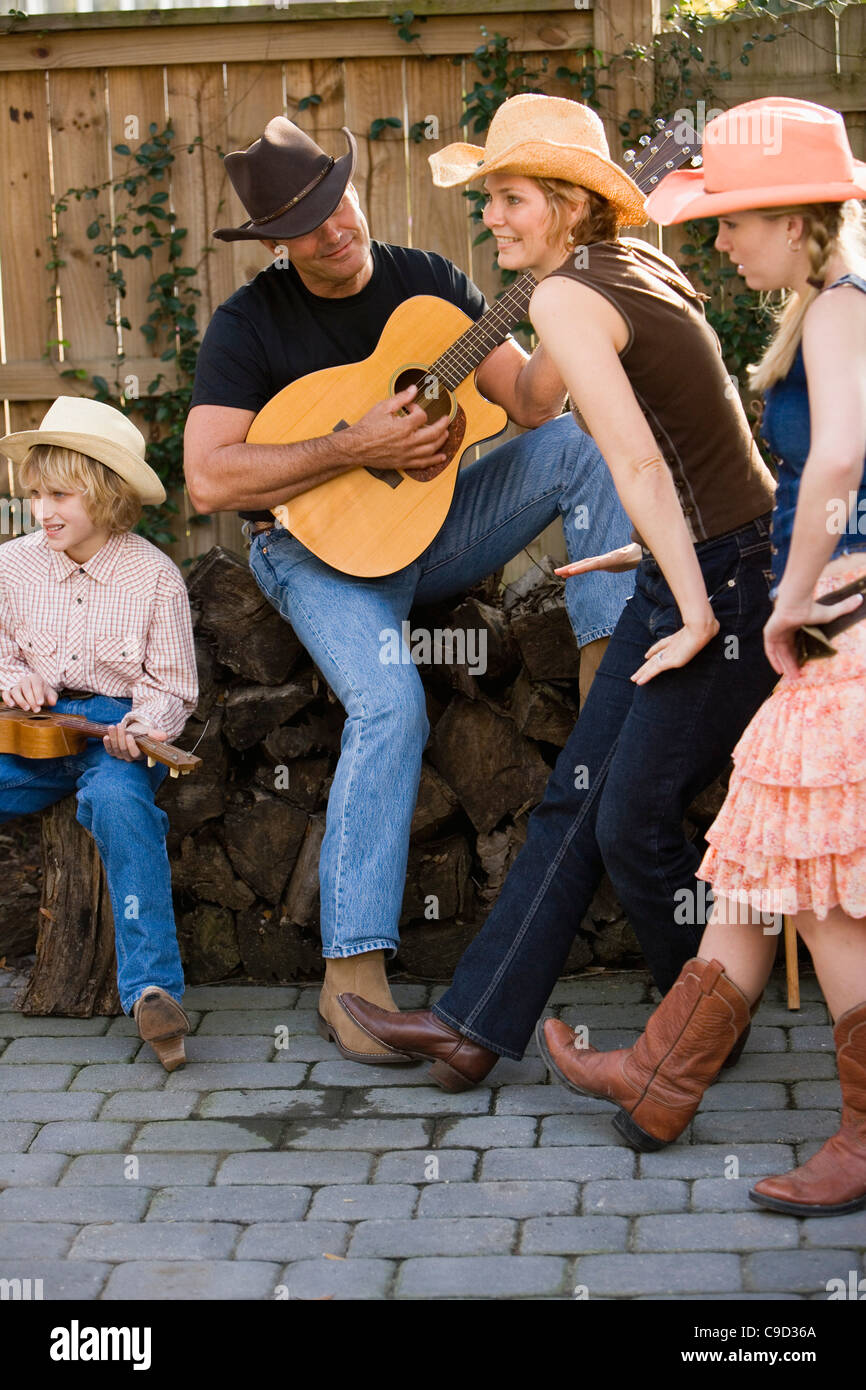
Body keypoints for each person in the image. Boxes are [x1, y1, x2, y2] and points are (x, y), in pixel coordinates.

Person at [338, 92, 781, 1091]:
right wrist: (442, 398)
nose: (489, 216)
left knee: (628, 820)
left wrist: (697, 602)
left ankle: (696, 1034)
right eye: (488, 198)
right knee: (572, 802)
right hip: (698, 563)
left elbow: (635, 464)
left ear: (573, 205)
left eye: (511, 198)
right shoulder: (609, 274)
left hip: (723, 581)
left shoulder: (570, 295)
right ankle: (470, 1027)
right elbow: (544, 406)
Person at [183, 115, 636, 1064]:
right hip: (312, 551)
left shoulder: (428, 279)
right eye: (305, 223)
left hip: (431, 533)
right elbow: (211, 479)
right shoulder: (251, 323)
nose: (334, 228)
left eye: (336, 201)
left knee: (579, 443)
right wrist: (357, 446)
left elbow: (532, 402)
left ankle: (609, 683)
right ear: (273, 241)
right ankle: (351, 979)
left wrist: (572, 284)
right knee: (389, 705)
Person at [537, 97, 866, 1217]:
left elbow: (834, 466)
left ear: (793, 216)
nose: (716, 241)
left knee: (818, 892)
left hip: (833, 640)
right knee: (758, 857)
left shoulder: (838, 305)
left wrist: (788, 596)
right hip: (832, 626)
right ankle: (663, 1078)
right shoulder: (828, 309)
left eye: (732, 219)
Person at [0, 397, 198, 1070]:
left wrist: (141, 726)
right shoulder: (12, 566)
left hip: (115, 731)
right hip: (31, 735)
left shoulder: (154, 578)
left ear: (108, 495)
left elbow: (172, 686)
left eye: (61, 494)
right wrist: (12, 680)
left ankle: (153, 992)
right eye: (34, 495)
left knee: (120, 807)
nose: (42, 511)